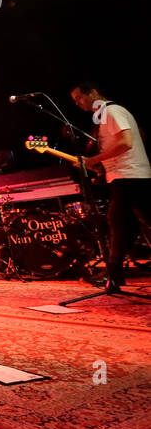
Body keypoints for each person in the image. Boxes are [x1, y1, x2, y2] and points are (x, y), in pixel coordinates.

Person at [70, 82, 151, 291]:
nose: (77, 103)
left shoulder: (112, 111)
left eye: (79, 97)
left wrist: (95, 159)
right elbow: (137, 137)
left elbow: (126, 142)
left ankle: (114, 275)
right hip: (126, 174)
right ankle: (114, 275)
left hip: (129, 175)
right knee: (129, 224)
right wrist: (101, 166)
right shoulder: (105, 115)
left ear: (93, 92)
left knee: (117, 223)